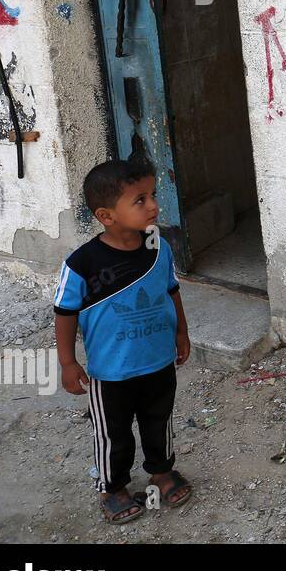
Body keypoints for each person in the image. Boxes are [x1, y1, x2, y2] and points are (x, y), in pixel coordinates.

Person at [54, 158, 193, 523]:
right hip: (111, 373)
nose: (153, 206)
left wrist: (181, 331)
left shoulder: (158, 248)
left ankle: (161, 472)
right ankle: (114, 489)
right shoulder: (82, 263)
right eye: (140, 199)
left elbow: (171, 290)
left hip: (158, 362)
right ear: (106, 215)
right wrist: (68, 363)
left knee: (158, 421)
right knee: (113, 435)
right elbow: (64, 313)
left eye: (152, 195)